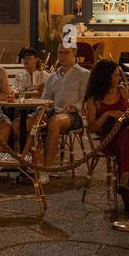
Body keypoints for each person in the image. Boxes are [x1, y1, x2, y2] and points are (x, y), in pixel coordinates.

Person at [81, 60, 129, 214]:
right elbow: (91, 128)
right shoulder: (93, 99)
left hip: (128, 131)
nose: (119, 79)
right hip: (109, 138)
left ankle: (125, 177)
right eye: (115, 76)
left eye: (118, 75)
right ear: (105, 77)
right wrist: (107, 115)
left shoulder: (123, 91)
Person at [37, 45, 90, 180]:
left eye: (66, 53)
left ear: (74, 54)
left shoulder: (83, 74)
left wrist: (75, 106)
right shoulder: (52, 77)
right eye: (60, 53)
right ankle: (32, 164)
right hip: (53, 111)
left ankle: (46, 169)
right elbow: (44, 100)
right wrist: (40, 111)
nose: (62, 56)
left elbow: (87, 100)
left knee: (55, 122)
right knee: (28, 122)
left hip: (74, 115)